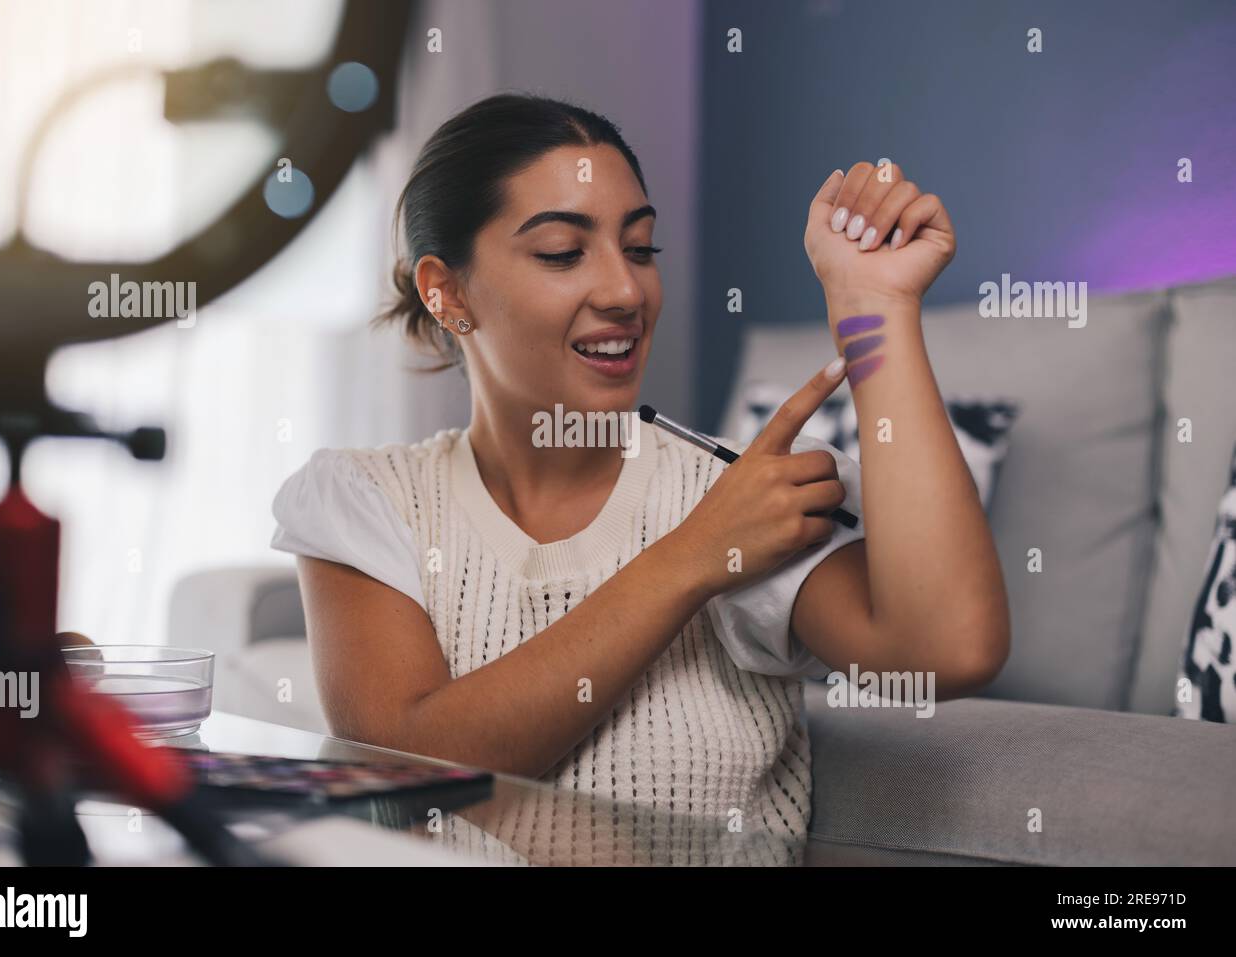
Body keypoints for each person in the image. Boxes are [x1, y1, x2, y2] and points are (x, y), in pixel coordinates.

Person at [271, 93, 1009, 862]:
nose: (626, 292)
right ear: (447, 291)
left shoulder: (734, 495)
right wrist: (692, 559)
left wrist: (876, 307)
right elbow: (404, 768)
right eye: (562, 251)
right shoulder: (371, 500)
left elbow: (951, 648)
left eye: (642, 247)